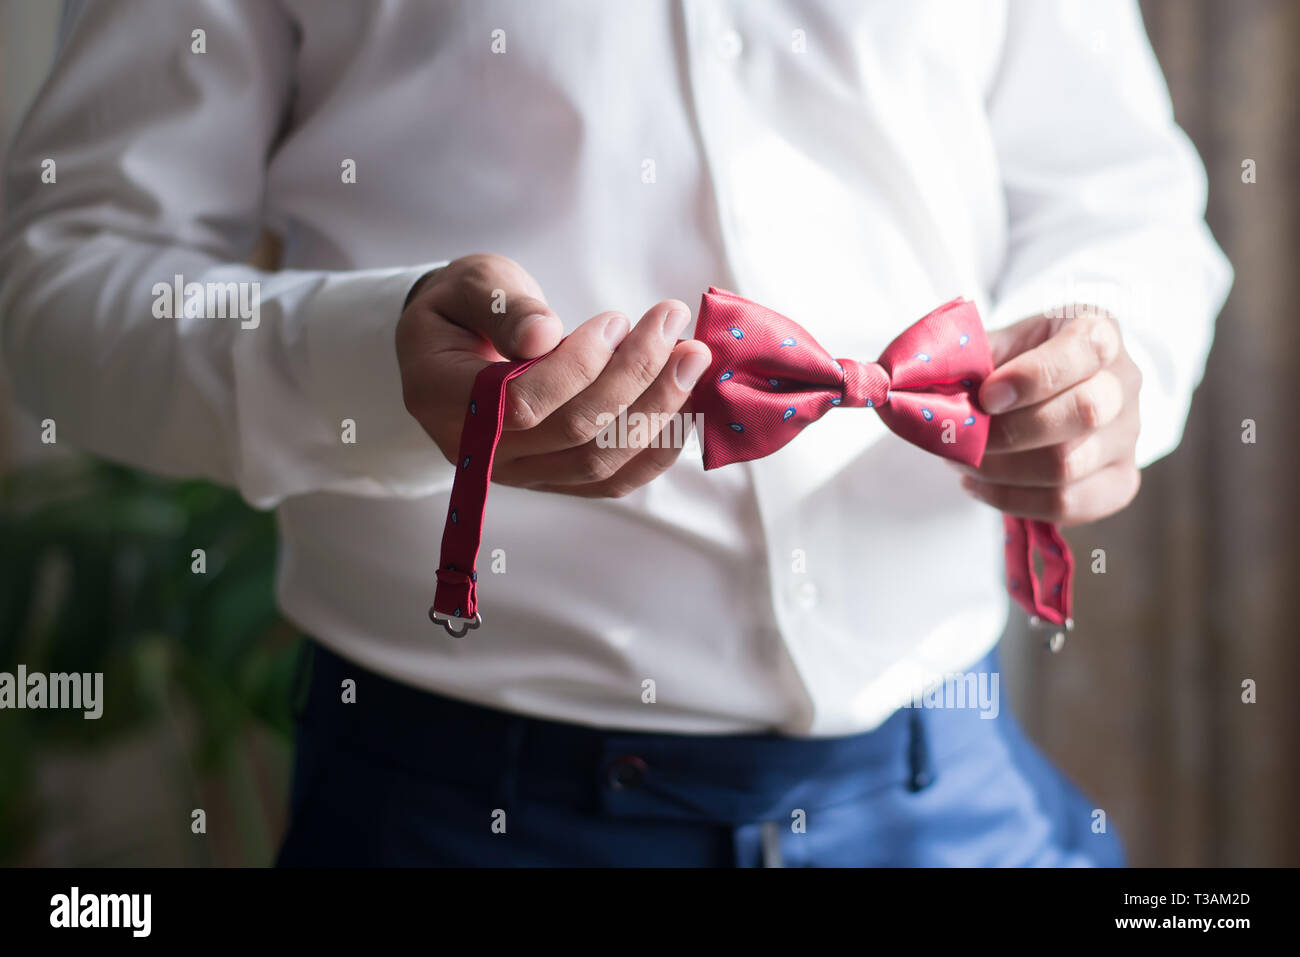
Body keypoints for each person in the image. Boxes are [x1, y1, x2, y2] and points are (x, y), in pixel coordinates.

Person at [0, 0, 1230, 866]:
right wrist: (374, 378)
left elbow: (1117, 193)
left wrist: (1112, 352)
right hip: (462, 811)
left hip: (954, 778)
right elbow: (66, 283)